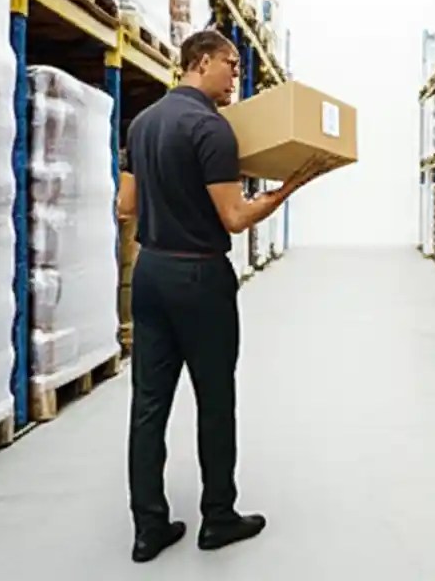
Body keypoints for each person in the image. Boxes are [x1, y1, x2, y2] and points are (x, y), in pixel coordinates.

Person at [116, 30, 328, 562]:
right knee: (215, 400)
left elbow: (125, 206)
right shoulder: (212, 129)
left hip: (151, 274)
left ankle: (148, 529)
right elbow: (233, 219)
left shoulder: (141, 123)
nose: (236, 75)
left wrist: (172, 203)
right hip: (200, 280)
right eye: (231, 65)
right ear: (202, 61)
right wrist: (286, 189)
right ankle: (218, 518)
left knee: (148, 405)